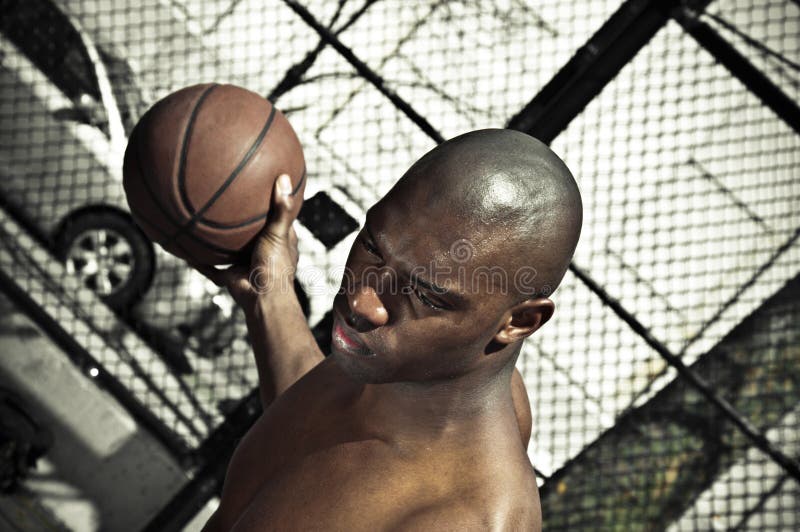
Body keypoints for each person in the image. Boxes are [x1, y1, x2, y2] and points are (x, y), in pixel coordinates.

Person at [196, 128, 582, 531]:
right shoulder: (411, 371)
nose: (363, 302)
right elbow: (316, 429)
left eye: (427, 296)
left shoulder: (459, 520)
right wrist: (269, 294)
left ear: (518, 321)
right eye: (373, 248)